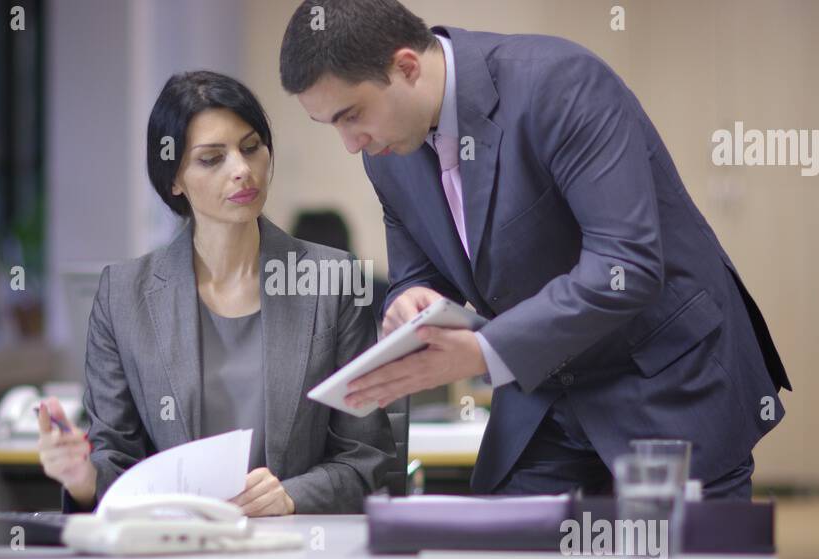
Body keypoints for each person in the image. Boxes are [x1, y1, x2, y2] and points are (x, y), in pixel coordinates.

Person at [278, 0, 790, 499]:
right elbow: (419, 274)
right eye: (334, 126)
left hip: (663, 379)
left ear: (406, 67)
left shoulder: (559, 84)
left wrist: (483, 350)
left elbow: (626, 266)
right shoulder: (388, 153)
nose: (350, 143)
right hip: (545, 398)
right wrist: (405, 304)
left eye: (352, 115)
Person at [37, 70, 395, 515]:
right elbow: (117, 458)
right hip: (178, 546)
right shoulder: (123, 296)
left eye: (250, 148)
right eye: (212, 159)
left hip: (296, 545)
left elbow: (366, 459)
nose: (242, 170)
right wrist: (83, 478)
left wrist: (291, 496)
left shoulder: (332, 280)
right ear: (174, 179)